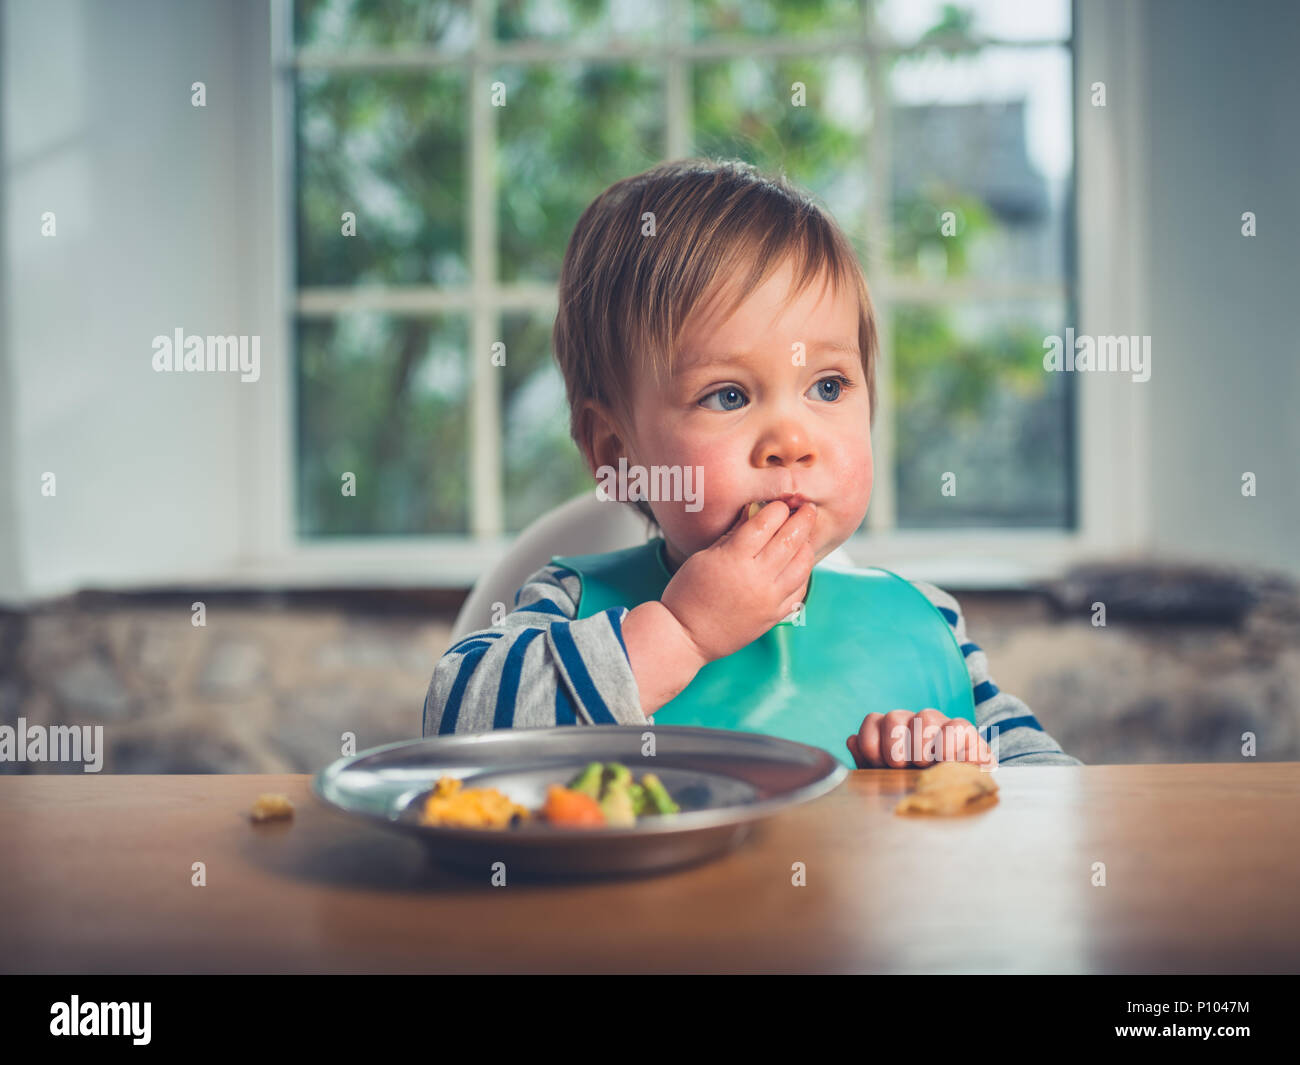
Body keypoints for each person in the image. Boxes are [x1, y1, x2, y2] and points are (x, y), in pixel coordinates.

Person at [423, 158, 1081, 770]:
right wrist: (680, 634)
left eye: (828, 386)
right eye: (729, 395)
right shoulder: (569, 607)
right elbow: (452, 732)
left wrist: (962, 766)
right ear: (617, 452)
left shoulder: (925, 626)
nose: (791, 441)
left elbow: (1055, 794)